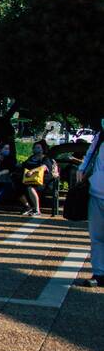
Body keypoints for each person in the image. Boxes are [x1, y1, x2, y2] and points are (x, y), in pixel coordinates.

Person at [76, 120, 104, 288]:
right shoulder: (101, 135)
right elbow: (89, 154)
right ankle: (99, 273)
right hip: (96, 193)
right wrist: (82, 168)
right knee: (97, 237)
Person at [17, 140, 59, 217]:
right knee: (16, 186)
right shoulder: (31, 158)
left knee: (30, 188)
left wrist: (32, 171)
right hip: (29, 180)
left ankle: (37, 210)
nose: (36, 149)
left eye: (38, 147)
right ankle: (28, 207)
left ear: (42, 149)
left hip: (42, 182)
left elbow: (44, 167)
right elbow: (24, 165)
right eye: (35, 147)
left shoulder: (45, 158)